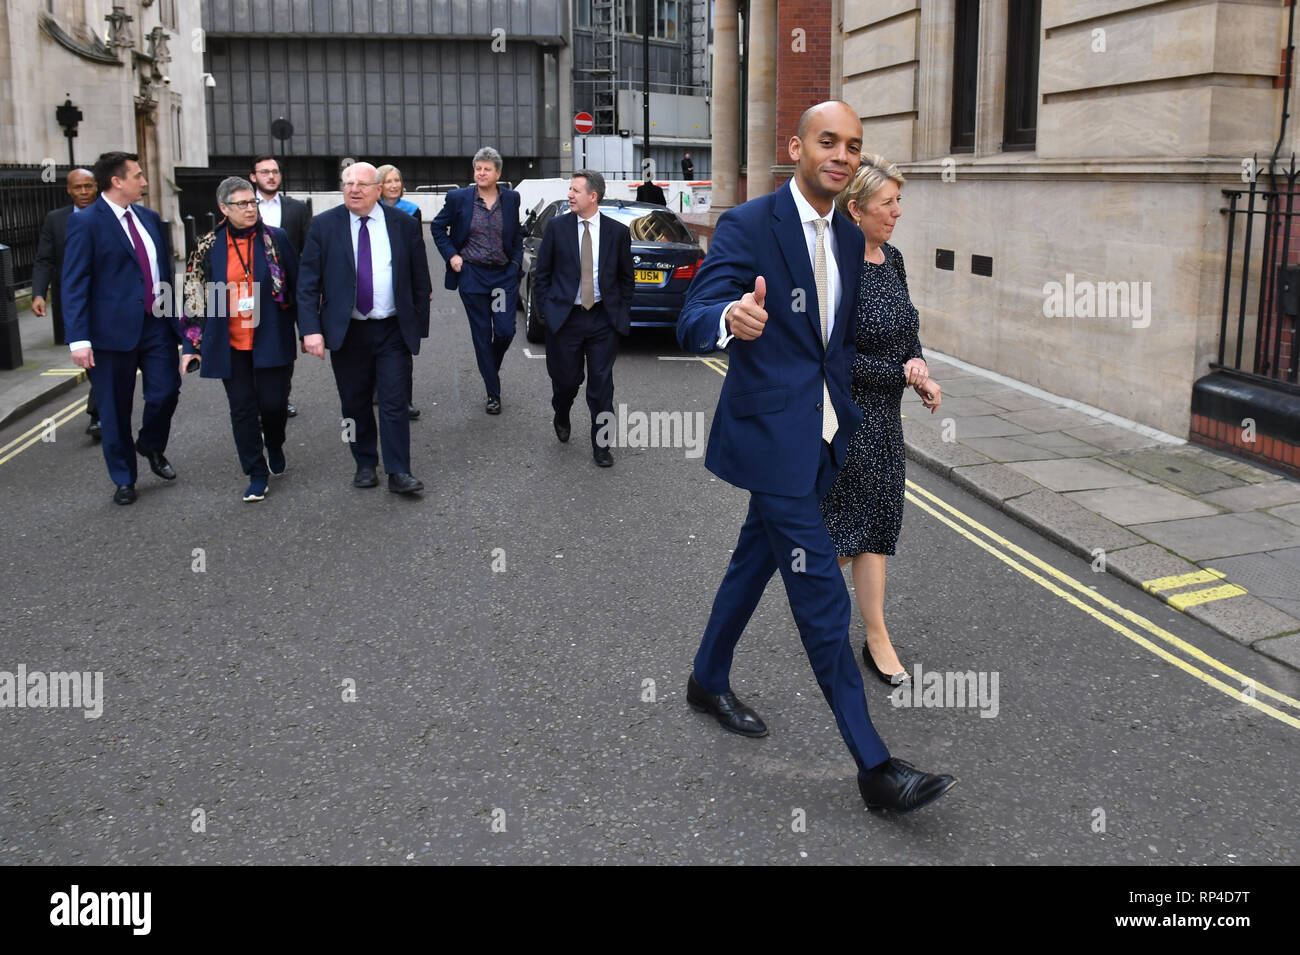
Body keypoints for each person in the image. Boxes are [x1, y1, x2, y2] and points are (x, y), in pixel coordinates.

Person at [675, 101, 956, 814]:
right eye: (827, 141)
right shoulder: (748, 224)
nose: (841, 154)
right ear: (796, 146)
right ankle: (874, 766)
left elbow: (839, 347)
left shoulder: (845, 239)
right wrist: (728, 318)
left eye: (853, 145)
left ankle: (707, 677)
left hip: (826, 439)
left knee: (751, 562)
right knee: (822, 601)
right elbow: (693, 315)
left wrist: (895, 382)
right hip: (771, 441)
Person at [821, 156, 941, 687]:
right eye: (887, 203)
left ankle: (876, 636)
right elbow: (834, 359)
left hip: (886, 422)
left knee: (876, 529)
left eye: (899, 202)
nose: (897, 213)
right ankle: (807, 597)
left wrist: (917, 363)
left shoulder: (891, 259)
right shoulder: (833, 267)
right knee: (842, 534)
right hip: (846, 420)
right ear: (856, 209)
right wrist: (901, 374)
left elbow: (906, 328)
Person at [296, 161, 432, 495]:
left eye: (361, 184)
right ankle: (364, 462)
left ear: (378, 189)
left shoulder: (403, 224)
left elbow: (420, 278)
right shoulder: (324, 226)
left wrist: (418, 327)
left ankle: (399, 471)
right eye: (347, 183)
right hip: (348, 331)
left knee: (394, 401)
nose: (354, 189)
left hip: (392, 330)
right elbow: (307, 284)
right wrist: (310, 329)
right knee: (353, 403)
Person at [62, 151, 182, 506]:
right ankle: (124, 478)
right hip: (109, 334)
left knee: (165, 392)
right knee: (114, 410)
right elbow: (74, 282)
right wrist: (79, 339)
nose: (144, 182)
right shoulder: (86, 223)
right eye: (138, 176)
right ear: (117, 181)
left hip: (156, 324)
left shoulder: (148, 217)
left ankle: (151, 444)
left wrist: (179, 320)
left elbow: (161, 273)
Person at [178, 177, 300, 502]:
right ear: (223, 208)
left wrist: (311, 331)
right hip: (229, 343)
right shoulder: (207, 245)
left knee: (274, 405)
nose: (250, 209)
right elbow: (194, 296)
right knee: (242, 409)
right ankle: (256, 473)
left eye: (253, 202)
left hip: (271, 337)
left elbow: (299, 286)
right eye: (242, 204)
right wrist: (191, 346)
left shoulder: (276, 239)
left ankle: (274, 442)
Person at [531, 170, 634, 468]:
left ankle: (601, 445)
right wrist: (547, 314)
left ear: (593, 196)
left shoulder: (617, 232)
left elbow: (628, 279)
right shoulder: (556, 228)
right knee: (566, 381)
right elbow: (542, 275)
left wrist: (621, 311)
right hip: (566, 319)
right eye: (570, 189)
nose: (570, 195)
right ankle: (561, 411)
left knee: (601, 385)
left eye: (576, 190)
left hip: (603, 318)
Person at [429, 147, 523, 415]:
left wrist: (516, 263)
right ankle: (493, 393)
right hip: (473, 276)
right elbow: (438, 227)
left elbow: (515, 234)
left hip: (503, 277)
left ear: (498, 173)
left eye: (487, 169)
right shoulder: (459, 198)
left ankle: (488, 368)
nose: (481, 173)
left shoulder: (511, 199)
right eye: (478, 168)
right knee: (482, 335)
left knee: (505, 330)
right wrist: (452, 256)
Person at [32, 168, 101, 438]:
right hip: (74, 304)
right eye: (77, 188)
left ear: (96, 187)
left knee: (103, 357)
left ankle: (98, 414)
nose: (83, 192)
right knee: (90, 359)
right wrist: (39, 293)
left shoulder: (110, 215)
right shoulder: (55, 219)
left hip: (106, 302)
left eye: (88, 186)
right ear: (68, 191)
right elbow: (44, 259)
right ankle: (101, 411)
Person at [251, 155, 312, 417]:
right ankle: (255, 400)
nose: (271, 176)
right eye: (264, 172)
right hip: (250, 292)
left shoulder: (296, 209)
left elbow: (308, 251)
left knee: (284, 350)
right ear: (253, 177)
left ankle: (281, 396)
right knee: (251, 348)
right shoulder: (244, 205)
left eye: (275, 171)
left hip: (286, 292)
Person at [374, 163, 424, 420]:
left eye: (397, 180)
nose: (394, 185)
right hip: (376, 286)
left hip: (402, 286)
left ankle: (405, 400)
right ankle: (376, 390)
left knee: (403, 345)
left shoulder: (412, 212)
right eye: (388, 181)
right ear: (378, 186)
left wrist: (422, 287)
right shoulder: (369, 212)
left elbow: (418, 254)